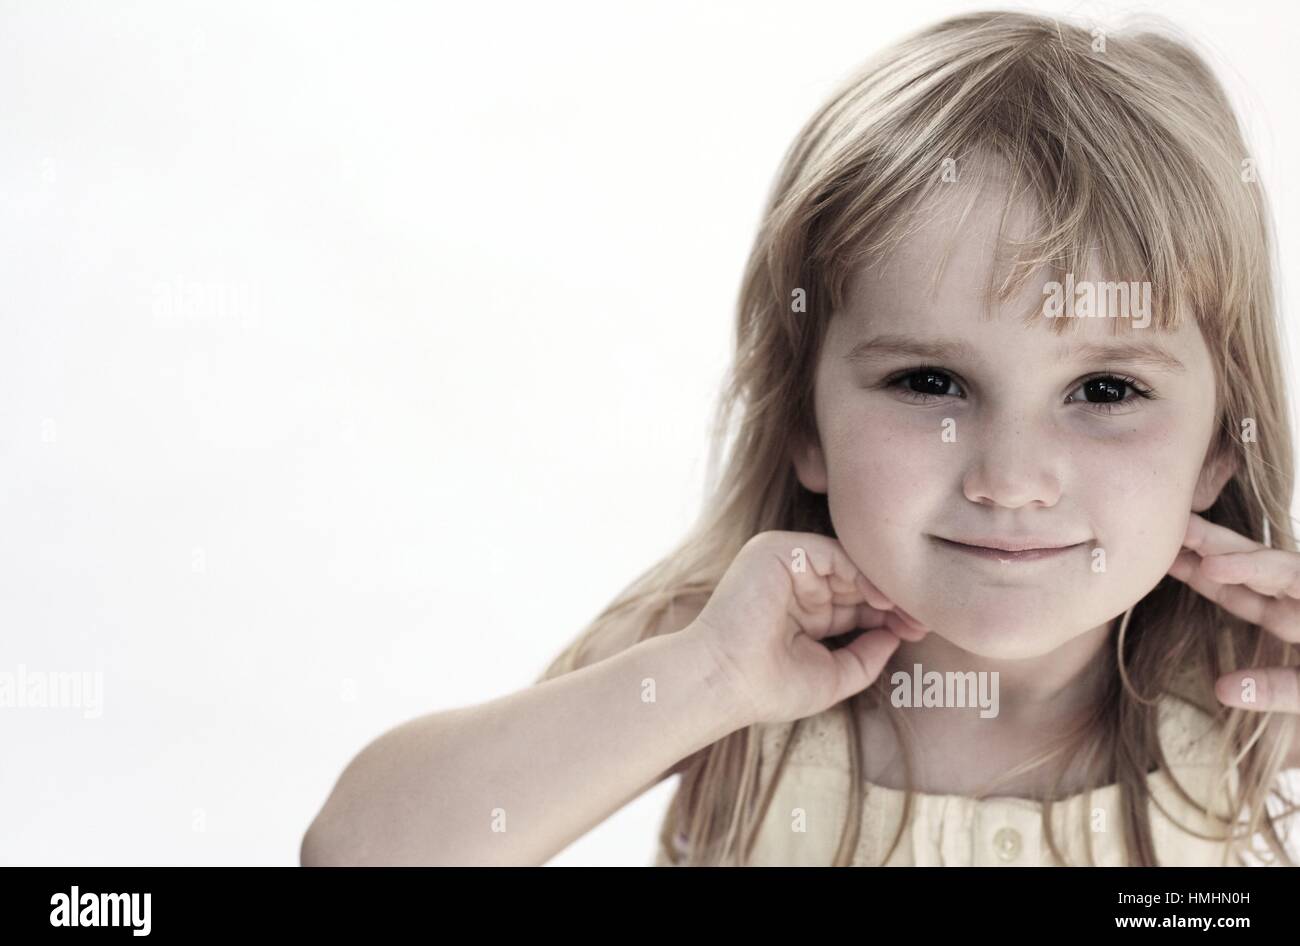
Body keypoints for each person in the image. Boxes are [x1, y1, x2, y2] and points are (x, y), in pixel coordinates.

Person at [301, 10, 1300, 867]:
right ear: (801, 423)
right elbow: (355, 852)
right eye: (928, 380)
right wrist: (707, 679)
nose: (1011, 477)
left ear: (1220, 441)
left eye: (1104, 388)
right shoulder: (717, 655)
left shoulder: (1249, 699)